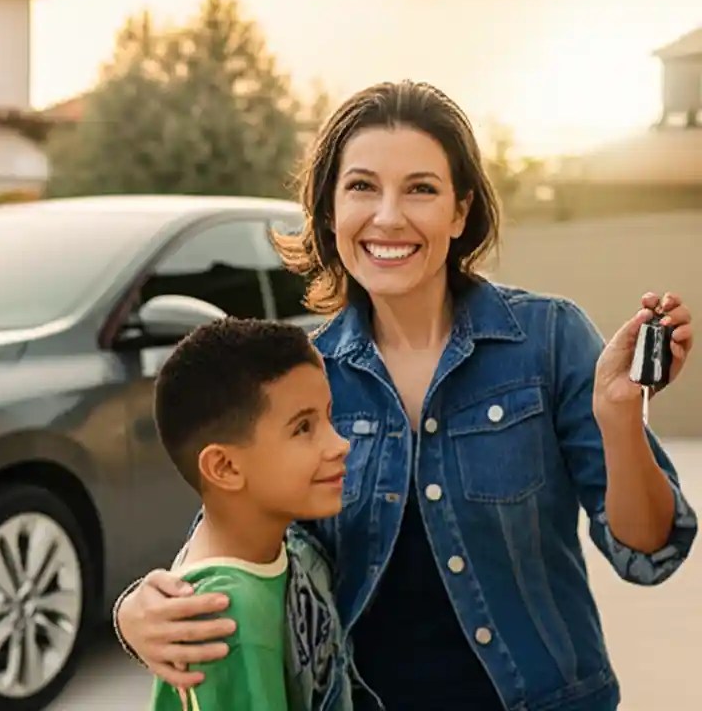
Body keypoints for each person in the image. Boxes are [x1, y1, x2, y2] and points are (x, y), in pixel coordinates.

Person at [114, 79, 697, 711]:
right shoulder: (297, 371)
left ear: (459, 211)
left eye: (421, 189)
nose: (388, 217)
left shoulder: (549, 340)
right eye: (362, 186)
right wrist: (136, 612)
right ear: (329, 210)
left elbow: (647, 549)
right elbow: (228, 532)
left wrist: (618, 418)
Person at [146, 317, 359, 711]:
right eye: (303, 428)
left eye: (329, 418)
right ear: (225, 468)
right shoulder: (225, 617)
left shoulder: (276, 552)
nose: (340, 444)